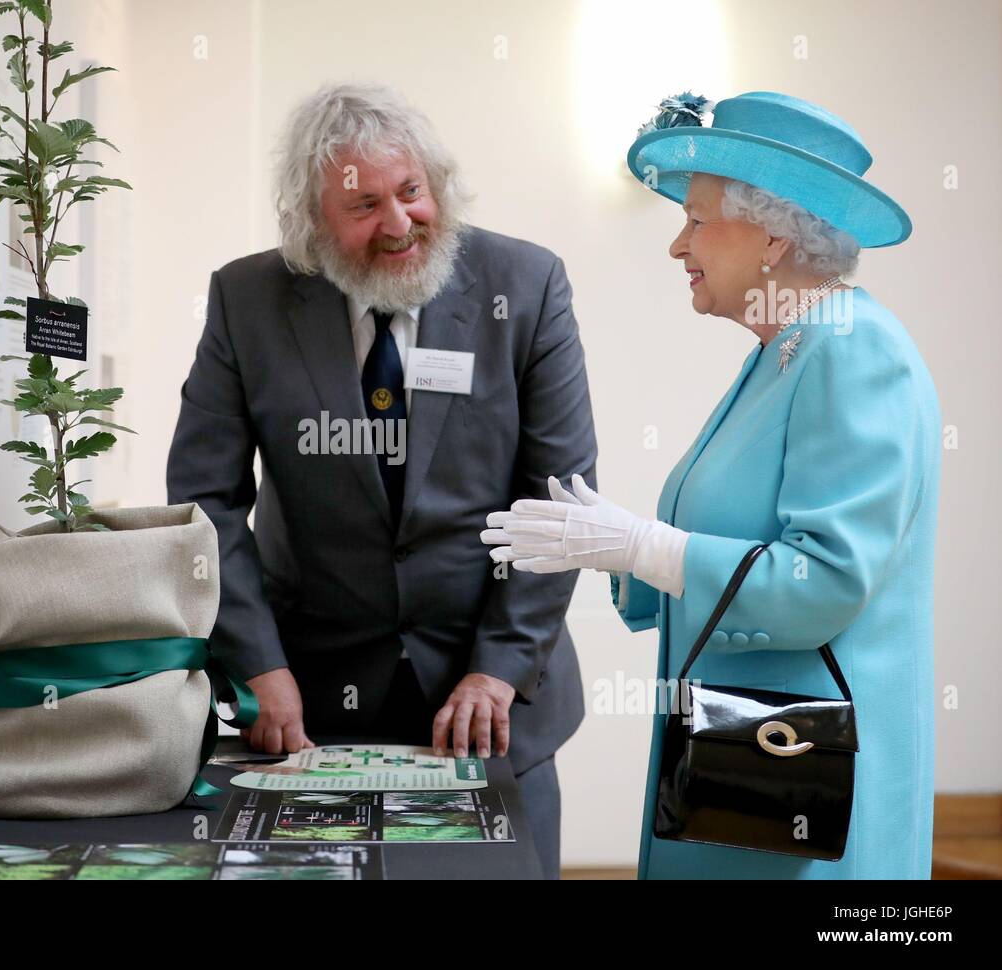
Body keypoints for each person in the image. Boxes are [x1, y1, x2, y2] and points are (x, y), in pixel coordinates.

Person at [484, 91, 940, 878]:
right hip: (741, 774)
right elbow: (732, 544)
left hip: (805, 793)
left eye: (696, 219)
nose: (677, 245)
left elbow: (825, 581)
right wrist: (620, 554)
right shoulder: (784, 352)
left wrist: (649, 547)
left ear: (771, 233)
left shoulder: (854, 351)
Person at [167, 82, 598, 879]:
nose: (399, 224)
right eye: (364, 205)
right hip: (310, 701)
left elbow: (557, 497)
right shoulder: (246, 299)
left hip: (491, 701)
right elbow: (206, 501)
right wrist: (259, 665)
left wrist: (497, 669)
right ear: (312, 223)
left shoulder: (526, 286)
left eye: (412, 192)